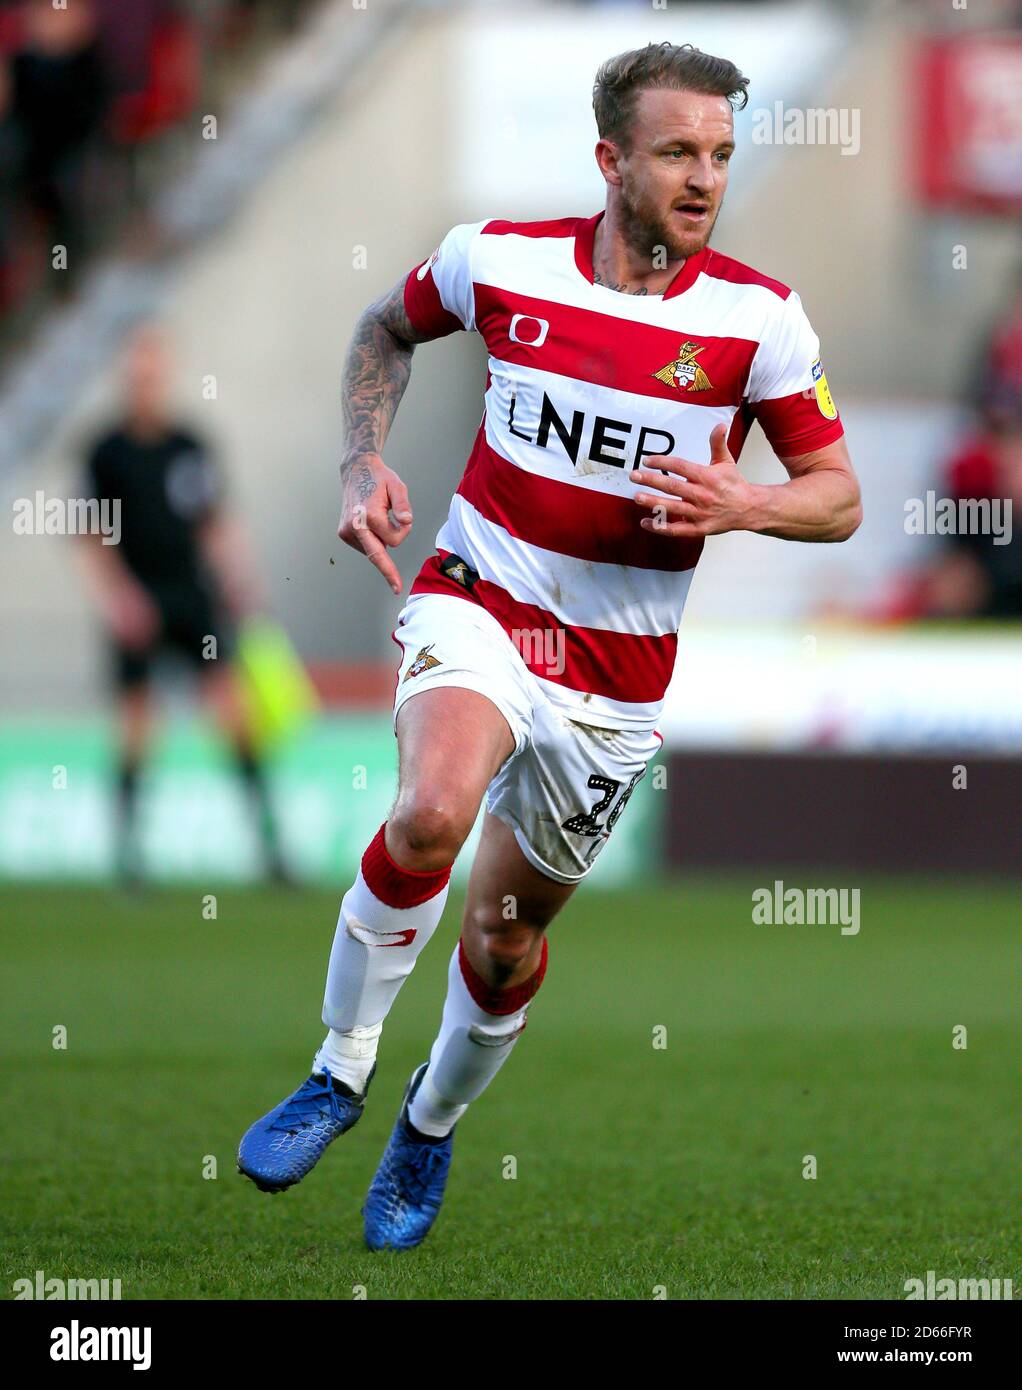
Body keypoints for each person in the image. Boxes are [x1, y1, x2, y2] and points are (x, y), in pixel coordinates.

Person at [238, 41, 861, 1249]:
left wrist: (748, 504)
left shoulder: (756, 322)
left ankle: (425, 1123)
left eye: (720, 155)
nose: (701, 177)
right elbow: (384, 327)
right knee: (429, 811)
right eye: (676, 151)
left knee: (505, 935)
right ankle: (339, 1066)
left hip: (616, 676)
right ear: (609, 159)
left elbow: (834, 495)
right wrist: (361, 455)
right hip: (481, 594)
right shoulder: (499, 261)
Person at [79, 324, 287, 882]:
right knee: (136, 724)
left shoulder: (188, 446)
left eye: (153, 366)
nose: (146, 378)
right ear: (128, 375)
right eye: (137, 368)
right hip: (139, 600)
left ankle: (271, 852)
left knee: (234, 715)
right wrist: (120, 599)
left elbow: (214, 522)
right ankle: (128, 859)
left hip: (192, 597)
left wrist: (241, 580)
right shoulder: (106, 452)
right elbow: (91, 536)